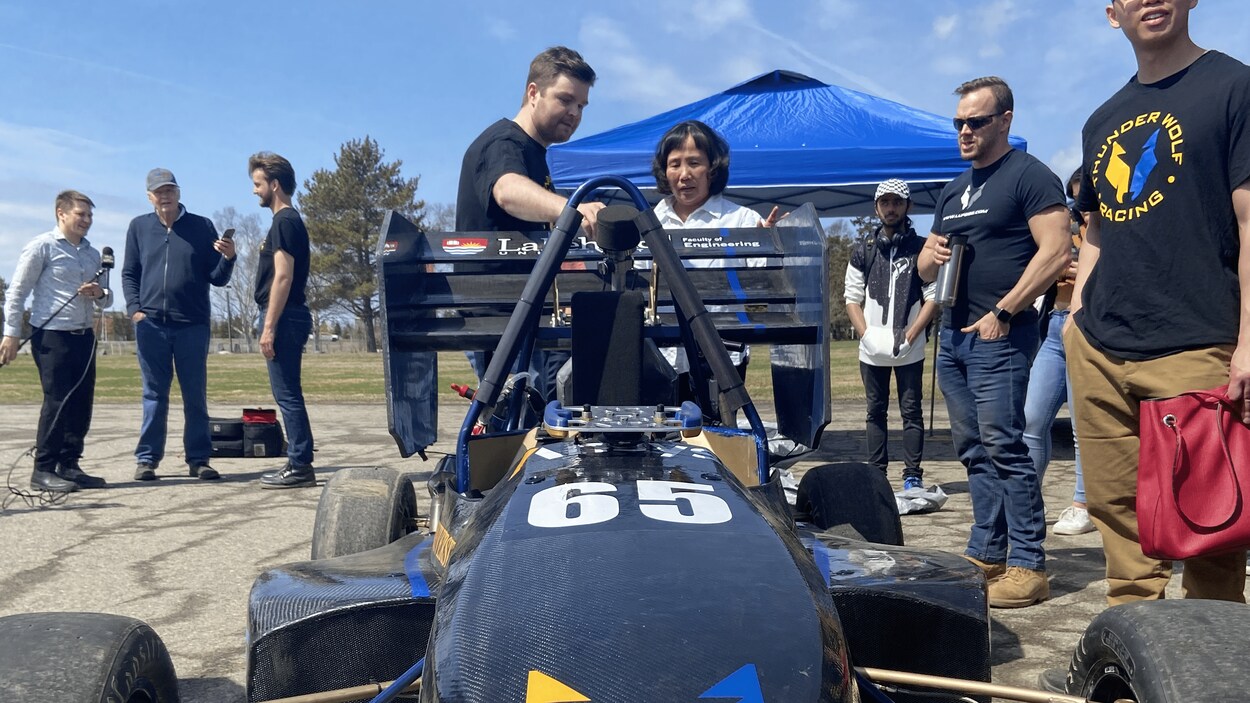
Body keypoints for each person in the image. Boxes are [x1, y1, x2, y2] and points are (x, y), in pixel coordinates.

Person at [1064, 0, 1250, 605]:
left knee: (1214, 531)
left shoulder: (1233, 86)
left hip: (1197, 339)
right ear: (1112, 13)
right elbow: (1095, 227)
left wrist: (1249, 341)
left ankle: (1210, 676)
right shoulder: (1103, 119)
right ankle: (1132, 666)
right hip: (1099, 345)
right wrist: (1074, 319)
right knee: (1120, 532)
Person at [917, 76, 1071, 608]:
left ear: (1005, 120)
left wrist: (1004, 310)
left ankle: (1029, 563)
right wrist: (927, 256)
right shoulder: (953, 190)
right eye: (959, 121)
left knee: (1005, 445)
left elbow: (1055, 251)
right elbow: (922, 271)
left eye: (975, 121)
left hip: (1001, 334)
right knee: (974, 451)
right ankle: (988, 549)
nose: (964, 130)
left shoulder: (1030, 176)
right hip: (954, 337)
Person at [456, 45, 603, 400]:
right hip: (499, 320)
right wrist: (573, 210)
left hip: (520, 316)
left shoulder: (534, 153)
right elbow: (507, 190)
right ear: (533, 93)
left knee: (532, 425)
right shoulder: (506, 142)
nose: (575, 113)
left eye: (581, 106)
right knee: (515, 430)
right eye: (566, 100)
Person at [650, 119, 780, 390]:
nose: (684, 174)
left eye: (694, 163)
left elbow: (768, 286)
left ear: (712, 169)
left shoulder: (743, 219)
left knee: (719, 432)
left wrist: (771, 243)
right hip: (661, 358)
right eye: (675, 164)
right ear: (664, 171)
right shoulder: (648, 222)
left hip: (723, 355)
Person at [123, 169, 235, 482]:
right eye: (159, 191)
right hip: (151, 326)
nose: (165, 196)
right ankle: (147, 460)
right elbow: (129, 272)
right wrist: (135, 310)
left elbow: (217, 278)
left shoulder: (202, 227)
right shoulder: (139, 227)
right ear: (150, 196)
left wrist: (229, 258)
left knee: (194, 395)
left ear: (179, 192)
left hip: (192, 325)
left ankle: (199, 459)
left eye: (170, 189)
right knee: (154, 395)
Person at [1, 191, 111, 492]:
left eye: (89, 216)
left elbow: (107, 298)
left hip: (83, 335)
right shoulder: (41, 247)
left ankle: (69, 464)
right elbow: (17, 292)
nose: (87, 221)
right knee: (57, 401)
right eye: (81, 214)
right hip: (52, 336)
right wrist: (11, 332)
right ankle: (44, 469)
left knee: (81, 403)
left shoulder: (91, 253)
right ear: (61, 214)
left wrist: (99, 294)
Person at [844, 178, 939, 492]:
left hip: (909, 345)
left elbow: (933, 296)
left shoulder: (924, 247)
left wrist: (912, 335)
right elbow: (851, 298)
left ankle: (913, 474)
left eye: (897, 202)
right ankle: (877, 474)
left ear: (908, 206)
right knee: (875, 410)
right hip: (871, 347)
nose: (891, 208)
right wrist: (866, 334)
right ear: (876, 207)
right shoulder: (862, 250)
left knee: (911, 410)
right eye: (885, 202)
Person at [1024, 170, 1094, 537]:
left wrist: (1081, 267)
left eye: (1083, 199)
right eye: (1074, 198)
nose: (1078, 207)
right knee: (1032, 416)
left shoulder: (1104, 230)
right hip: (1052, 325)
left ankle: (1083, 504)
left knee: (1083, 424)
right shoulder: (1062, 226)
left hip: (1087, 326)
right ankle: (1025, 500)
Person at [249, 152, 317, 489]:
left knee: (287, 394)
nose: (254, 191)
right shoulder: (285, 222)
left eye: (258, 184)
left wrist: (269, 327)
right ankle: (299, 459)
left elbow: (283, 277)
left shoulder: (284, 222)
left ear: (274, 185)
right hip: (289, 315)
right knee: (288, 393)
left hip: (285, 316)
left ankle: (300, 464)